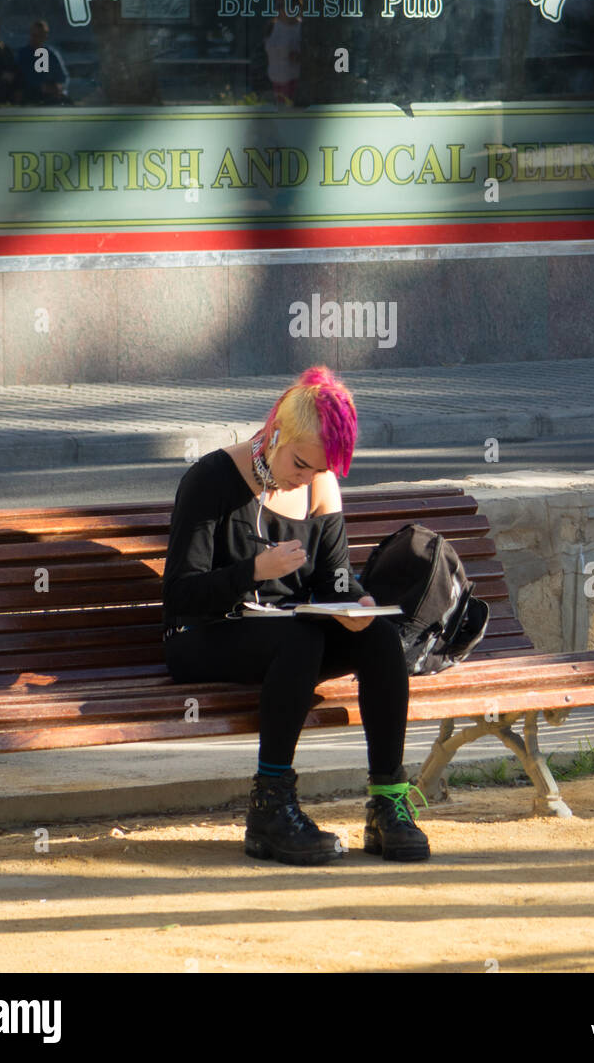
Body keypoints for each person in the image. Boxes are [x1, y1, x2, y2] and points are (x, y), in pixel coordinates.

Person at [162, 364, 430, 866]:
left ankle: (388, 802)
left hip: (284, 634)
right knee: (301, 638)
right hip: (205, 633)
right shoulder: (211, 479)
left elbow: (332, 578)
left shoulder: (318, 487)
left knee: (380, 638)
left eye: (319, 471)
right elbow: (180, 595)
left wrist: (353, 602)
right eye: (302, 464)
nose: (306, 478)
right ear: (277, 433)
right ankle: (270, 807)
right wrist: (253, 570)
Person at [15, 20, 69, 104]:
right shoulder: (22, 55)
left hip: (50, 100)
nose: (36, 38)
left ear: (45, 37)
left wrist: (58, 87)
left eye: (40, 35)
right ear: (30, 35)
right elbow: (17, 79)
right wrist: (39, 87)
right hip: (28, 100)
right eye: (34, 35)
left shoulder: (52, 55)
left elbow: (63, 79)